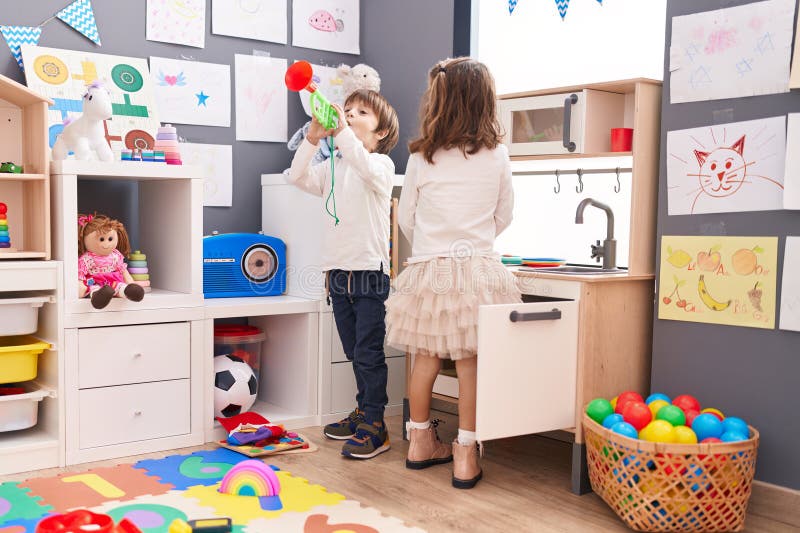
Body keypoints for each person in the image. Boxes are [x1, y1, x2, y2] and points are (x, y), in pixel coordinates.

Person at [385, 57, 521, 488]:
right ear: (485, 103)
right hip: (477, 271)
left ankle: (420, 442)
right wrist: (475, 242)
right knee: (469, 364)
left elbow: (406, 217)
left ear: (437, 101)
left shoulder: (423, 157)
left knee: (425, 359)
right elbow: (505, 215)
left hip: (429, 271)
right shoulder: (497, 155)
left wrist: (433, 245)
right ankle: (466, 453)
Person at [286, 89, 399, 459]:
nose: (349, 116)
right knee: (354, 351)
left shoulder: (381, 166)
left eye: (360, 112)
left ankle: (375, 424)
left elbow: (362, 163)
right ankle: (364, 409)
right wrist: (313, 137)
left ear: (381, 131)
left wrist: (340, 134)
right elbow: (296, 176)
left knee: (368, 353)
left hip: (368, 274)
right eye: (346, 110)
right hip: (337, 274)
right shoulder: (333, 166)